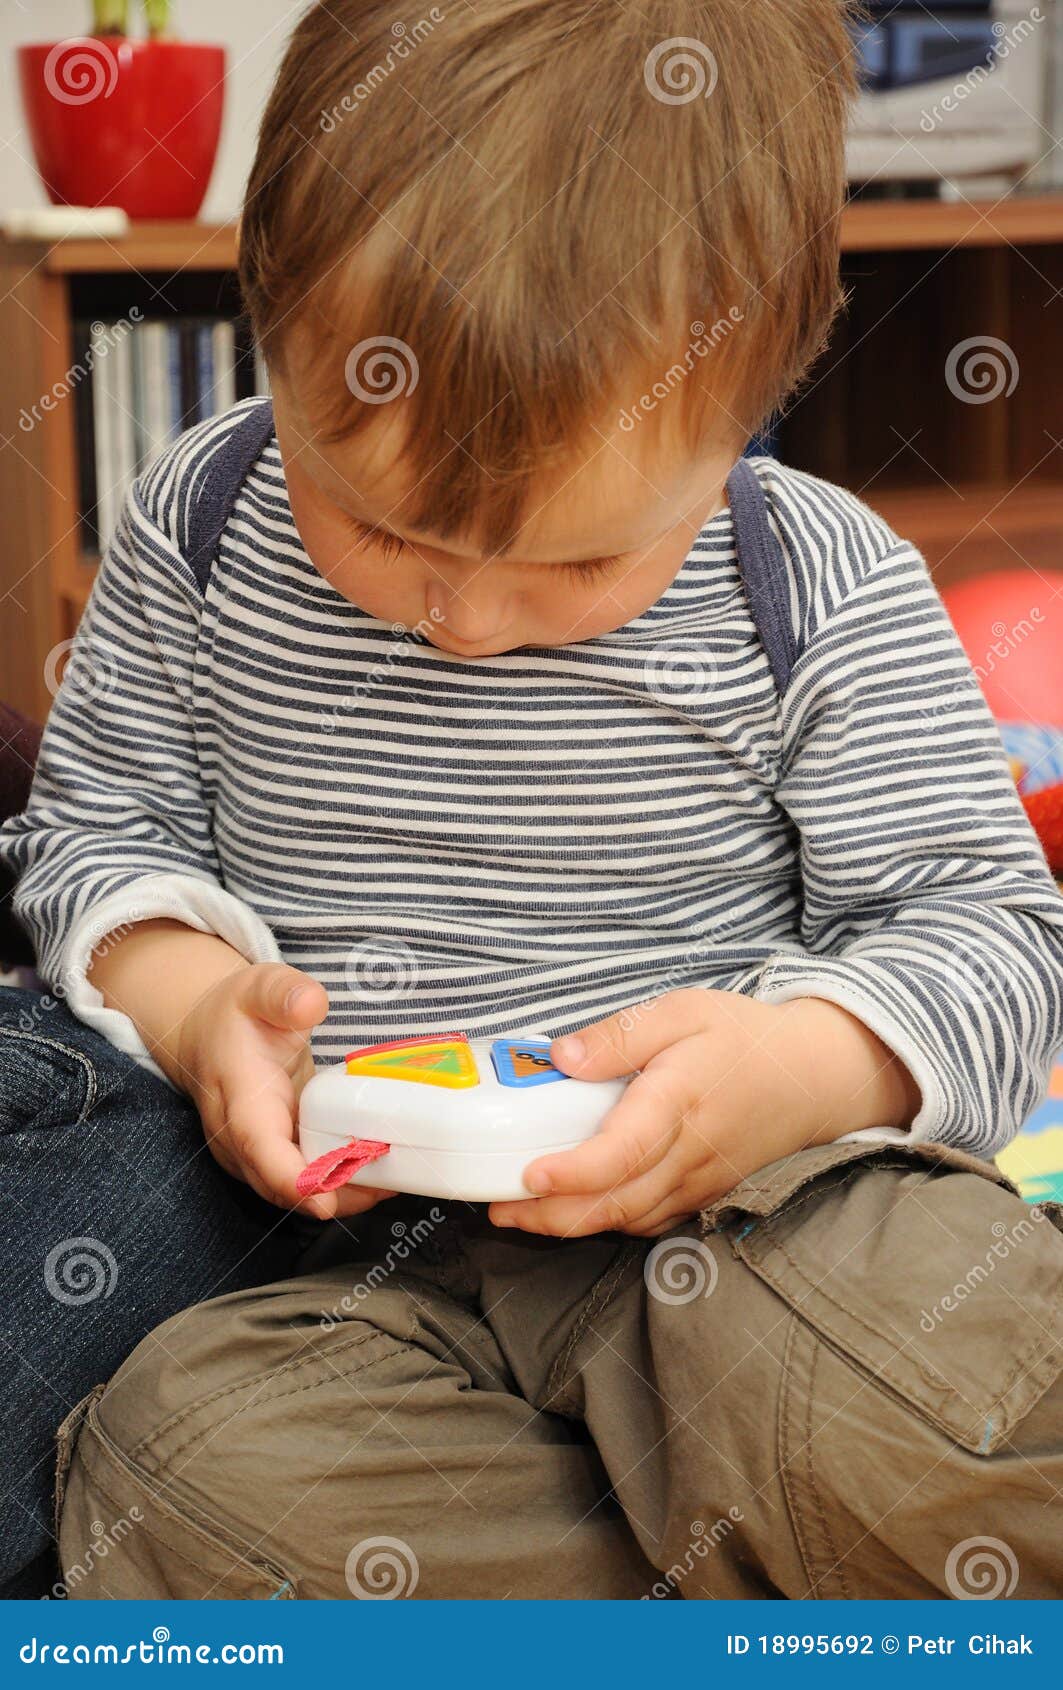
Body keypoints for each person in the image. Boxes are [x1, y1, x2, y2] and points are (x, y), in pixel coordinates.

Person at [3, 0, 1063, 1599]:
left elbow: (988, 929)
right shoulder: (204, 525)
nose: (464, 620)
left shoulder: (813, 580)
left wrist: (798, 1067)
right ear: (269, 318)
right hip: (389, 1269)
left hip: (763, 1216)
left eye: (576, 562)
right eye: (378, 523)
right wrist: (194, 995)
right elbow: (96, 834)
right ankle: (753, 1577)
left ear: (743, 407)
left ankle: (811, 1515)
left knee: (878, 1397)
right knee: (171, 1470)